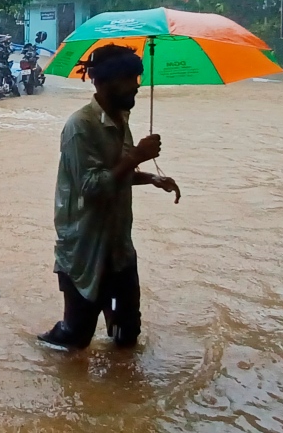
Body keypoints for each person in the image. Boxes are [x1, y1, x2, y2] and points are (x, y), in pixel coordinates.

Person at [38, 44, 181, 351]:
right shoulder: (80, 126)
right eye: (128, 79)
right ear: (102, 82)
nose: (136, 86)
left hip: (118, 246)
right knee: (76, 339)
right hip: (86, 249)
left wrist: (152, 178)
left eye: (137, 78)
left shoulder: (121, 118)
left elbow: (116, 174)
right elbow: (91, 186)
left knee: (126, 336)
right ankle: (39, 345)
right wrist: (138, 156)